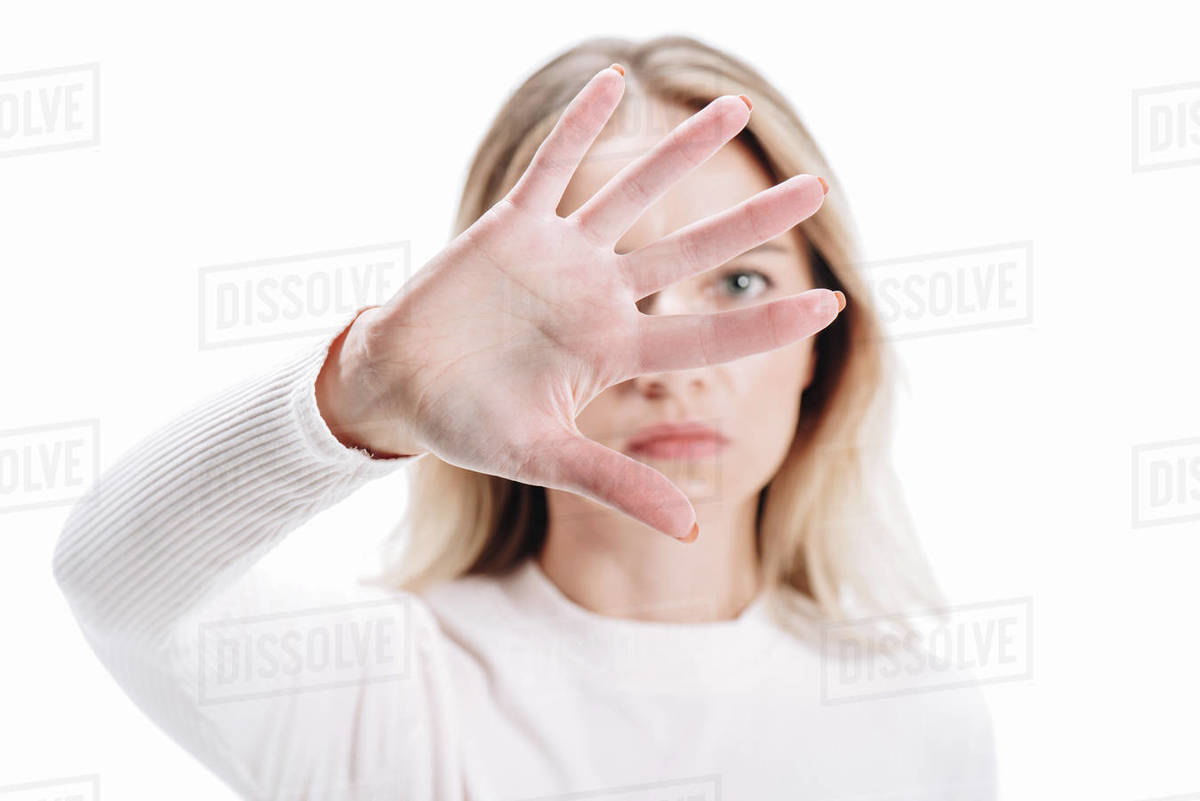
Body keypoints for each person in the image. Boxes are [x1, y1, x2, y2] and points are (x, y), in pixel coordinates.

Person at [53, 35, 996, 801]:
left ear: (820, 352)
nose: (666, 364)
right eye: (599, 291)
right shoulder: (382, 689)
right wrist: (369, 384)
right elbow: (112, 579)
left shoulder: (915, 721)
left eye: (741, 281)